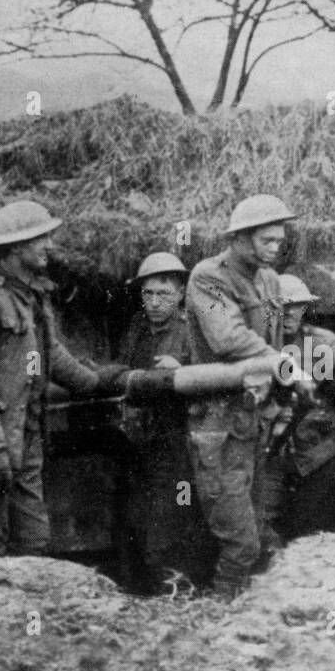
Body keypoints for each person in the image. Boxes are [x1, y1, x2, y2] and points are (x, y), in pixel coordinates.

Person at [0, 200, 127, 555]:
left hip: (25, 437)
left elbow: (50, 354)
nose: (49, 246)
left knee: (34, 539)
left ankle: (32, 610)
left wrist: (95, 381)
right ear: (15, 246)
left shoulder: (34, 297)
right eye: (41, 239)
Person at [183, 194, 314, 600]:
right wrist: (287, 368)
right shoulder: (209, 277)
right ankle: (220, 615)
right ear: (240, 238)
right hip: (217, 423)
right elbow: (228, 339)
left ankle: (245, 618)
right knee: (241, 542)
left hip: (255, 420)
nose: (276, 247)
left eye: (279, 240)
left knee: (258, 533)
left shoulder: (271, 281)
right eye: (266, 240)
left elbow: (274, 340)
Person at [115, 251, 213, 586]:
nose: (154, 302)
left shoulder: (191, 332)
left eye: (163, 294)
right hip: (138, 438)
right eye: (148, 294)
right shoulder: (135, 328)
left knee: (174, 512)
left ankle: (175, 585)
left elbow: (212, 380)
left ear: (181, 294)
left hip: (177, 440)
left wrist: (182, 371)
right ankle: (137, 588)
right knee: (134, 515)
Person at [258, 274, 335, 540]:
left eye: (294, 306)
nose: (287, 314)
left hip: (315, 455)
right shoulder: (256, 346)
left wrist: (332, 449)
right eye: (279, 307)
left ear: (305, 309)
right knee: (261, 529)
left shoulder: (325, 346)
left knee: (307, 530)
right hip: (268, 456)